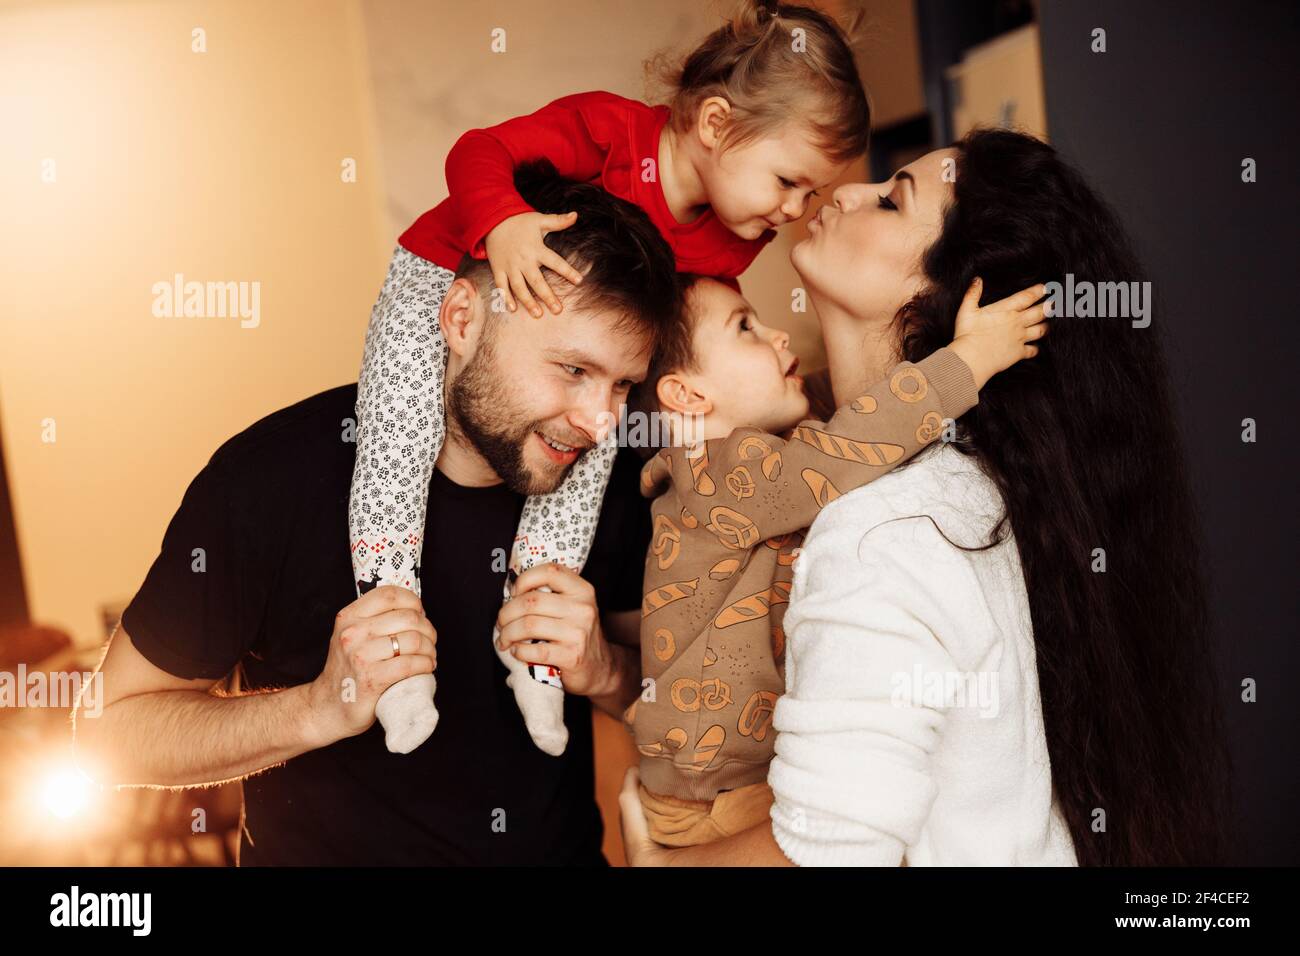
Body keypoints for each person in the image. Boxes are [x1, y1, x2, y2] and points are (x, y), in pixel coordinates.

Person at [621, 129, 1230, 866]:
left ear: (944, 291)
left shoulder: (881, 531)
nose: (839, 192)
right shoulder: (967, 487)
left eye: (888, 199)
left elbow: (833, 850)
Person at [73, 168, 678, 865]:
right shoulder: (271, 477)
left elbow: (676, 703)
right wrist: (318, 707)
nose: (600, 421)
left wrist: (603, 669)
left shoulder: (616, 481)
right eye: (573, 369)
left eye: (622, 384)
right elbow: (107, 734)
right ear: (460, 320)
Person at [348, 2, 875, 737]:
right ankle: (400, 662)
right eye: (789, 180)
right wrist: (501, 223)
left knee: (583, 476)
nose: (794, 209)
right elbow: (477, 151)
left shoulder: (734, 243)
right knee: (396, 449)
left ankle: (535, 655)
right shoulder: (611, 132)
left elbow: (695, 349)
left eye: (810, 194)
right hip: (446, 272)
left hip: (586, 360)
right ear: (716, 125)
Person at [621, 271, 1044, 847]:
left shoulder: (757, 460)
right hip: (717, 793)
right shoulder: (711, 470)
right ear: (688, 396)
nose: (778, 335)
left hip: (731, 777)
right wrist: (967, 361)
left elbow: (857, 410)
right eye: (745, 327)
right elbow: (847, 446)